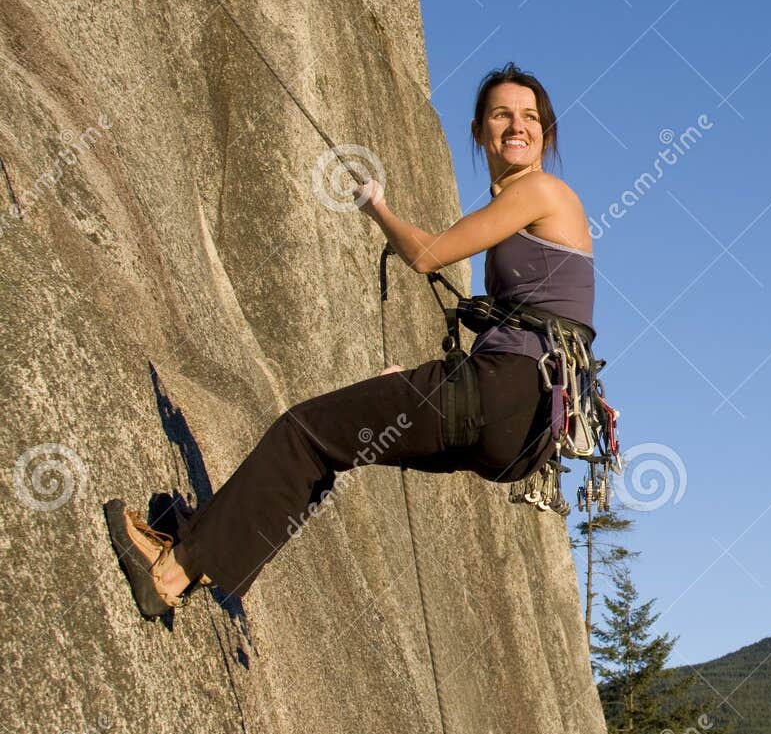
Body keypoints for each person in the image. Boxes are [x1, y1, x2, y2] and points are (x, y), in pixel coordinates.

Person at [103, 62, 596, 620]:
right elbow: (525, 331)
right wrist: (415, 386)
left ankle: (169, 573)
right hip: (521, 435)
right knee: (334, 445)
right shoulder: (533, 206)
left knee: (305, 434)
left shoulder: (539, 189)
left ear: (545, 134)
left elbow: (426, 254)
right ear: (481, 128)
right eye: (502, 114)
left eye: (530, 118)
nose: (516, 126)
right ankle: (209, 547)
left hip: (504, 394)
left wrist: (375, 207)